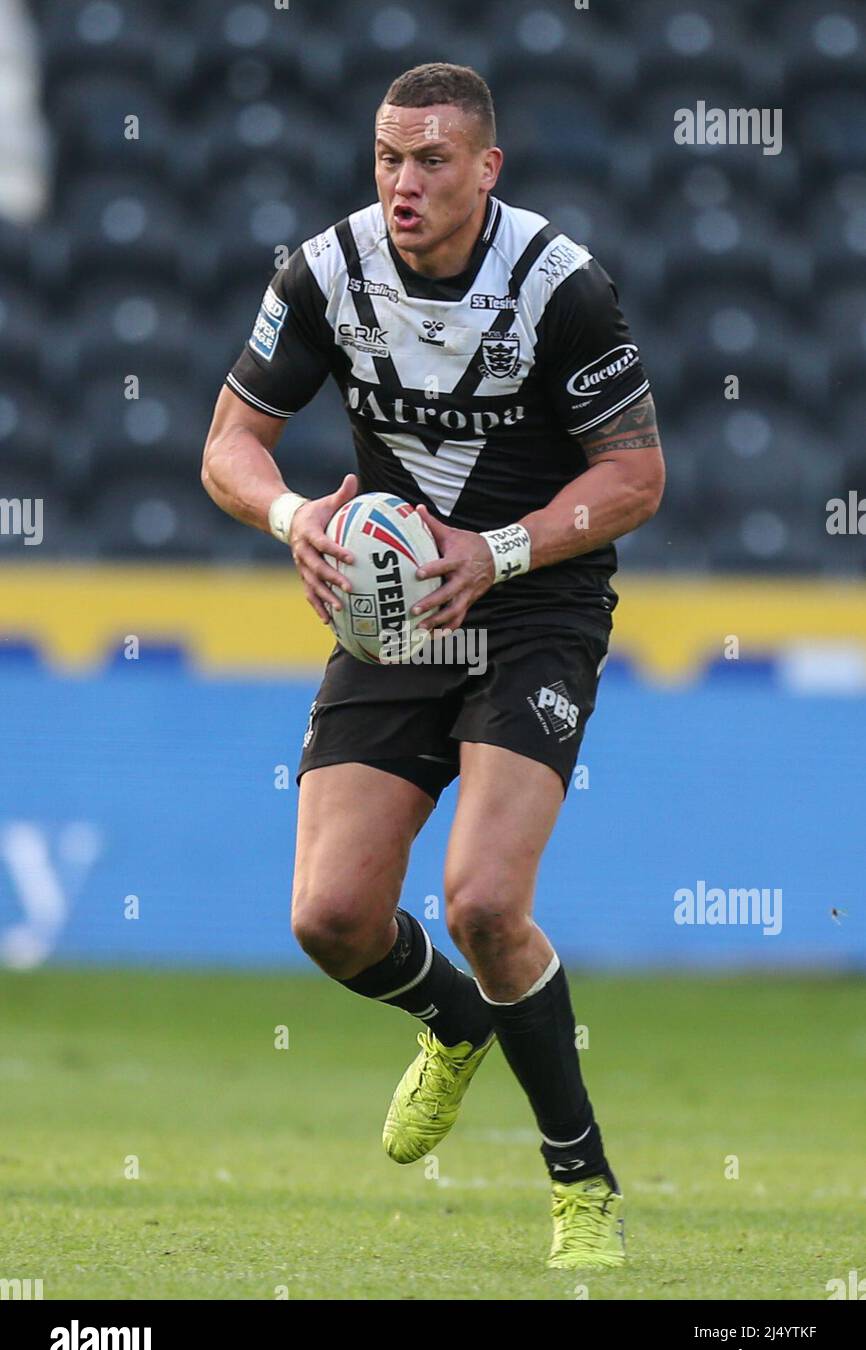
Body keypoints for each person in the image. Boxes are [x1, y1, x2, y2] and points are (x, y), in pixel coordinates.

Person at [202, 61, 665, 1270]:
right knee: (333, 918)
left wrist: (497, 549)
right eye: (387, 159)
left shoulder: (559, 287)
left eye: (431, 162)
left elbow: (634, 479)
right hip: (394, 604)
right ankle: (451, 1025)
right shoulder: (323, 274)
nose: (402, 186)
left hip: (533, 602)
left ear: (486, 169)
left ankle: (582, 1187)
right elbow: (231, 444)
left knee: (480, 901)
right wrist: (294, 519)